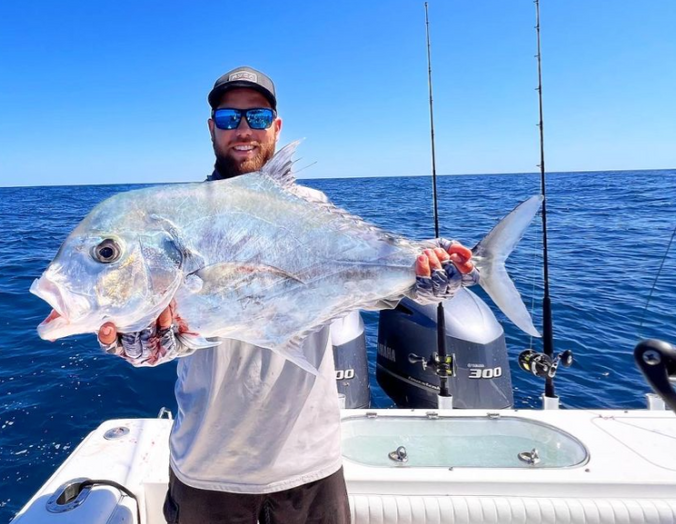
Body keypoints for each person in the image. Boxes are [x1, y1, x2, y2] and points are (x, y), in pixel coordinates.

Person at [97, 67, 476, 524]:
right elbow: (169, 339)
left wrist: (427, 281)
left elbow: (374, 283)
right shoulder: (180, 218)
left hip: (310, 463)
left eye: (256, 117)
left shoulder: (316, 209)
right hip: (207, 468)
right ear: (211, 127)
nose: (243, 130)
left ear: (275, 128)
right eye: (228, 117)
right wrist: (145, 346)